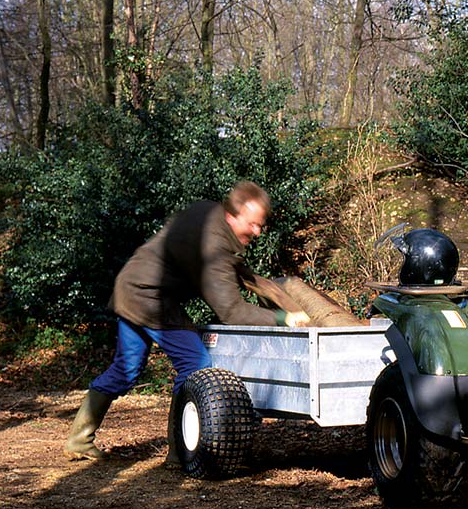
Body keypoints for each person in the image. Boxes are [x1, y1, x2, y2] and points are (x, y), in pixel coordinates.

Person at [64, 180, 308, 462]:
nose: (257, 231)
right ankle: (181, 450)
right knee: (196, 365)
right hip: (150, 298)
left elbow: (229, 267)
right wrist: (283, 318)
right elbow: (232, 312)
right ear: (231, 216)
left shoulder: (208, 211)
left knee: (126, 370)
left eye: (260, 224)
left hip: (130, 286)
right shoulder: (214, 249)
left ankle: (79, 439)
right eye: (252, 224)